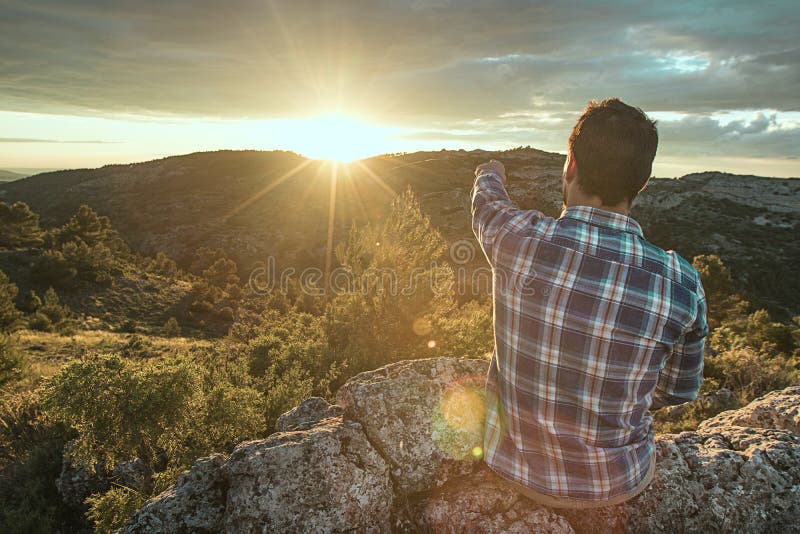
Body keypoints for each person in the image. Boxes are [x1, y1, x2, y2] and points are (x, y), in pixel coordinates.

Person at [471, 97, 708, 510]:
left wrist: (489, 171)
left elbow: (486, 204)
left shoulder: (516, 238)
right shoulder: (680, 282)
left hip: (513, 468)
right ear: (643, 182)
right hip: (617, 483)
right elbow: (679, 390)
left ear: (571, 165)